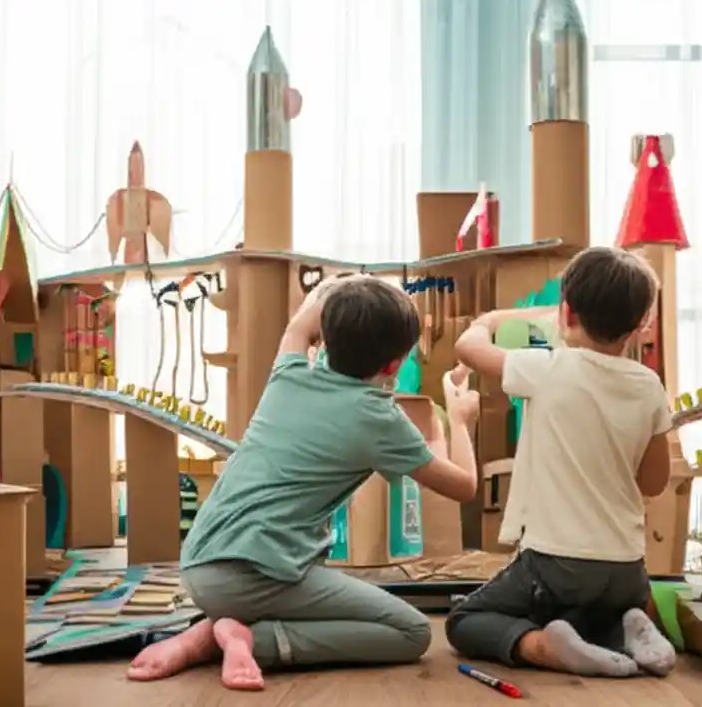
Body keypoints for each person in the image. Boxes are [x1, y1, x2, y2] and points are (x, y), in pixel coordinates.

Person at [127, 274, 481, 690]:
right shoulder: (380, 417)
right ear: (394, 365)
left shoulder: (290, 373)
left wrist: (345, 286)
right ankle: (244, 640)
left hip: (199, 566)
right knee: (411, 632)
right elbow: (464, 487)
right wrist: (457, 421)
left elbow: (299, 325)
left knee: (303, 583)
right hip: (253, 581)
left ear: (325, 339)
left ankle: (211, 628)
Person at [446, 246, 676, 678]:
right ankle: (625, 625)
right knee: (586, 613)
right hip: (627, 570)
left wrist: (490, 320)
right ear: (643, 324)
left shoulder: (547, 368)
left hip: (557, 566)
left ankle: (542, 648)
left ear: (565, 314)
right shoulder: (650, 386)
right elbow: (654, 481)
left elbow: (467, 346)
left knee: (465, 621)